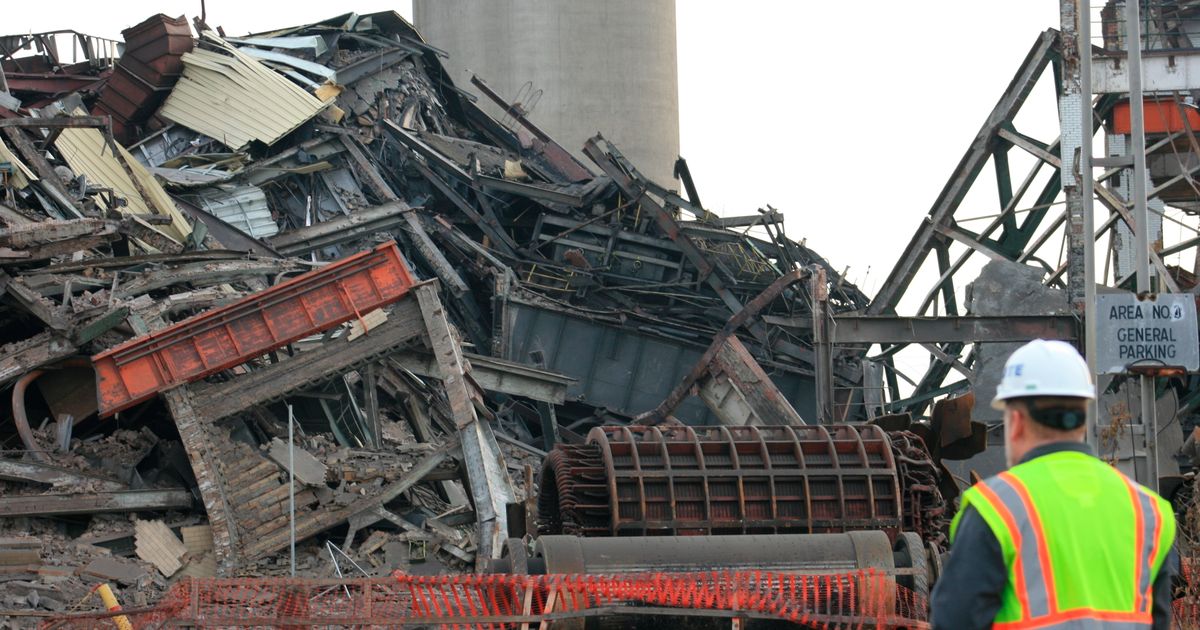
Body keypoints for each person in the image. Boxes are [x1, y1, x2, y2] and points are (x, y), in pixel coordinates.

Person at [931, 339, 1177, 629]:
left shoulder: (995, 509)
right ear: (1084, 417)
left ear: (1016, 420)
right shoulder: (1150, 511)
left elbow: (954, 621)